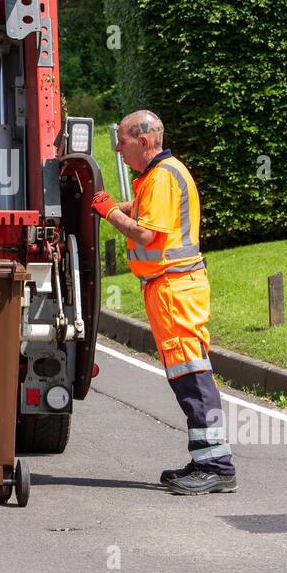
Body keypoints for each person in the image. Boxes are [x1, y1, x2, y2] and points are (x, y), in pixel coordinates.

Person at [92, 110, 238, 495]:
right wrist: (112, 204)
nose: (118, 149)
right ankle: (207, 457)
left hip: (175, 288)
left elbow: (147, 236)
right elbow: (143, 212)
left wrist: (107, 211)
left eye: (122, 142)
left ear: (144, 141)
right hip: (172, 287)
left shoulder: (161, 177)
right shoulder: (159, 176)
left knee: (192, 375)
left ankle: (217, 466)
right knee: (187, 375)